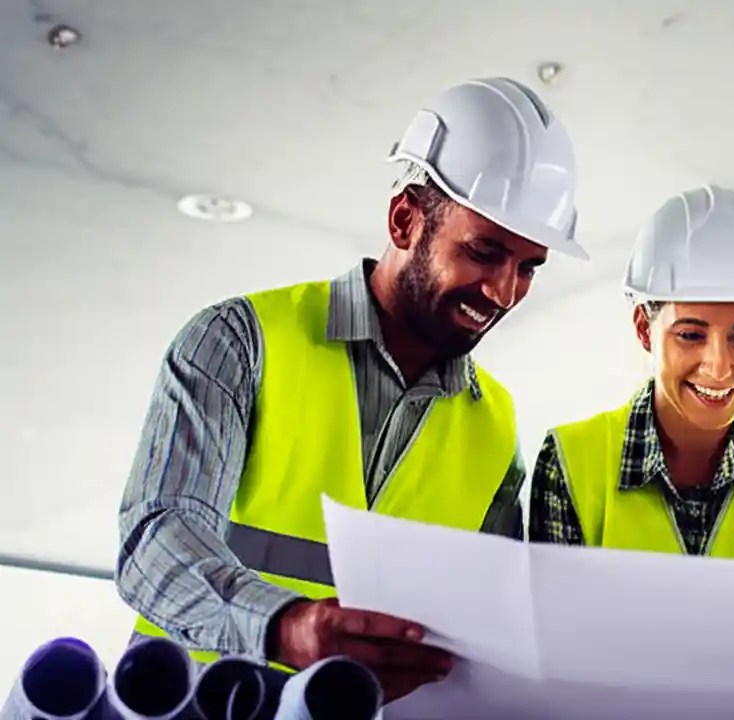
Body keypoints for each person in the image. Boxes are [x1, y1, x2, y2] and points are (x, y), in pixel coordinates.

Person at [115, 76, 588, 702]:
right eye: (483, 252)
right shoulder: (240, 343)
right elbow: (155, 542)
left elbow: (485, 640)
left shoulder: (495, 427)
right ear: (404, 220)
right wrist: (285, 627)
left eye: (528, 268)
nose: (503, 291)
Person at [528, 184, 734, 567]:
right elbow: (555, 622)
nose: (718, 367)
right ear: (643, 329)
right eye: (690, 335)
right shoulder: (569, 463)